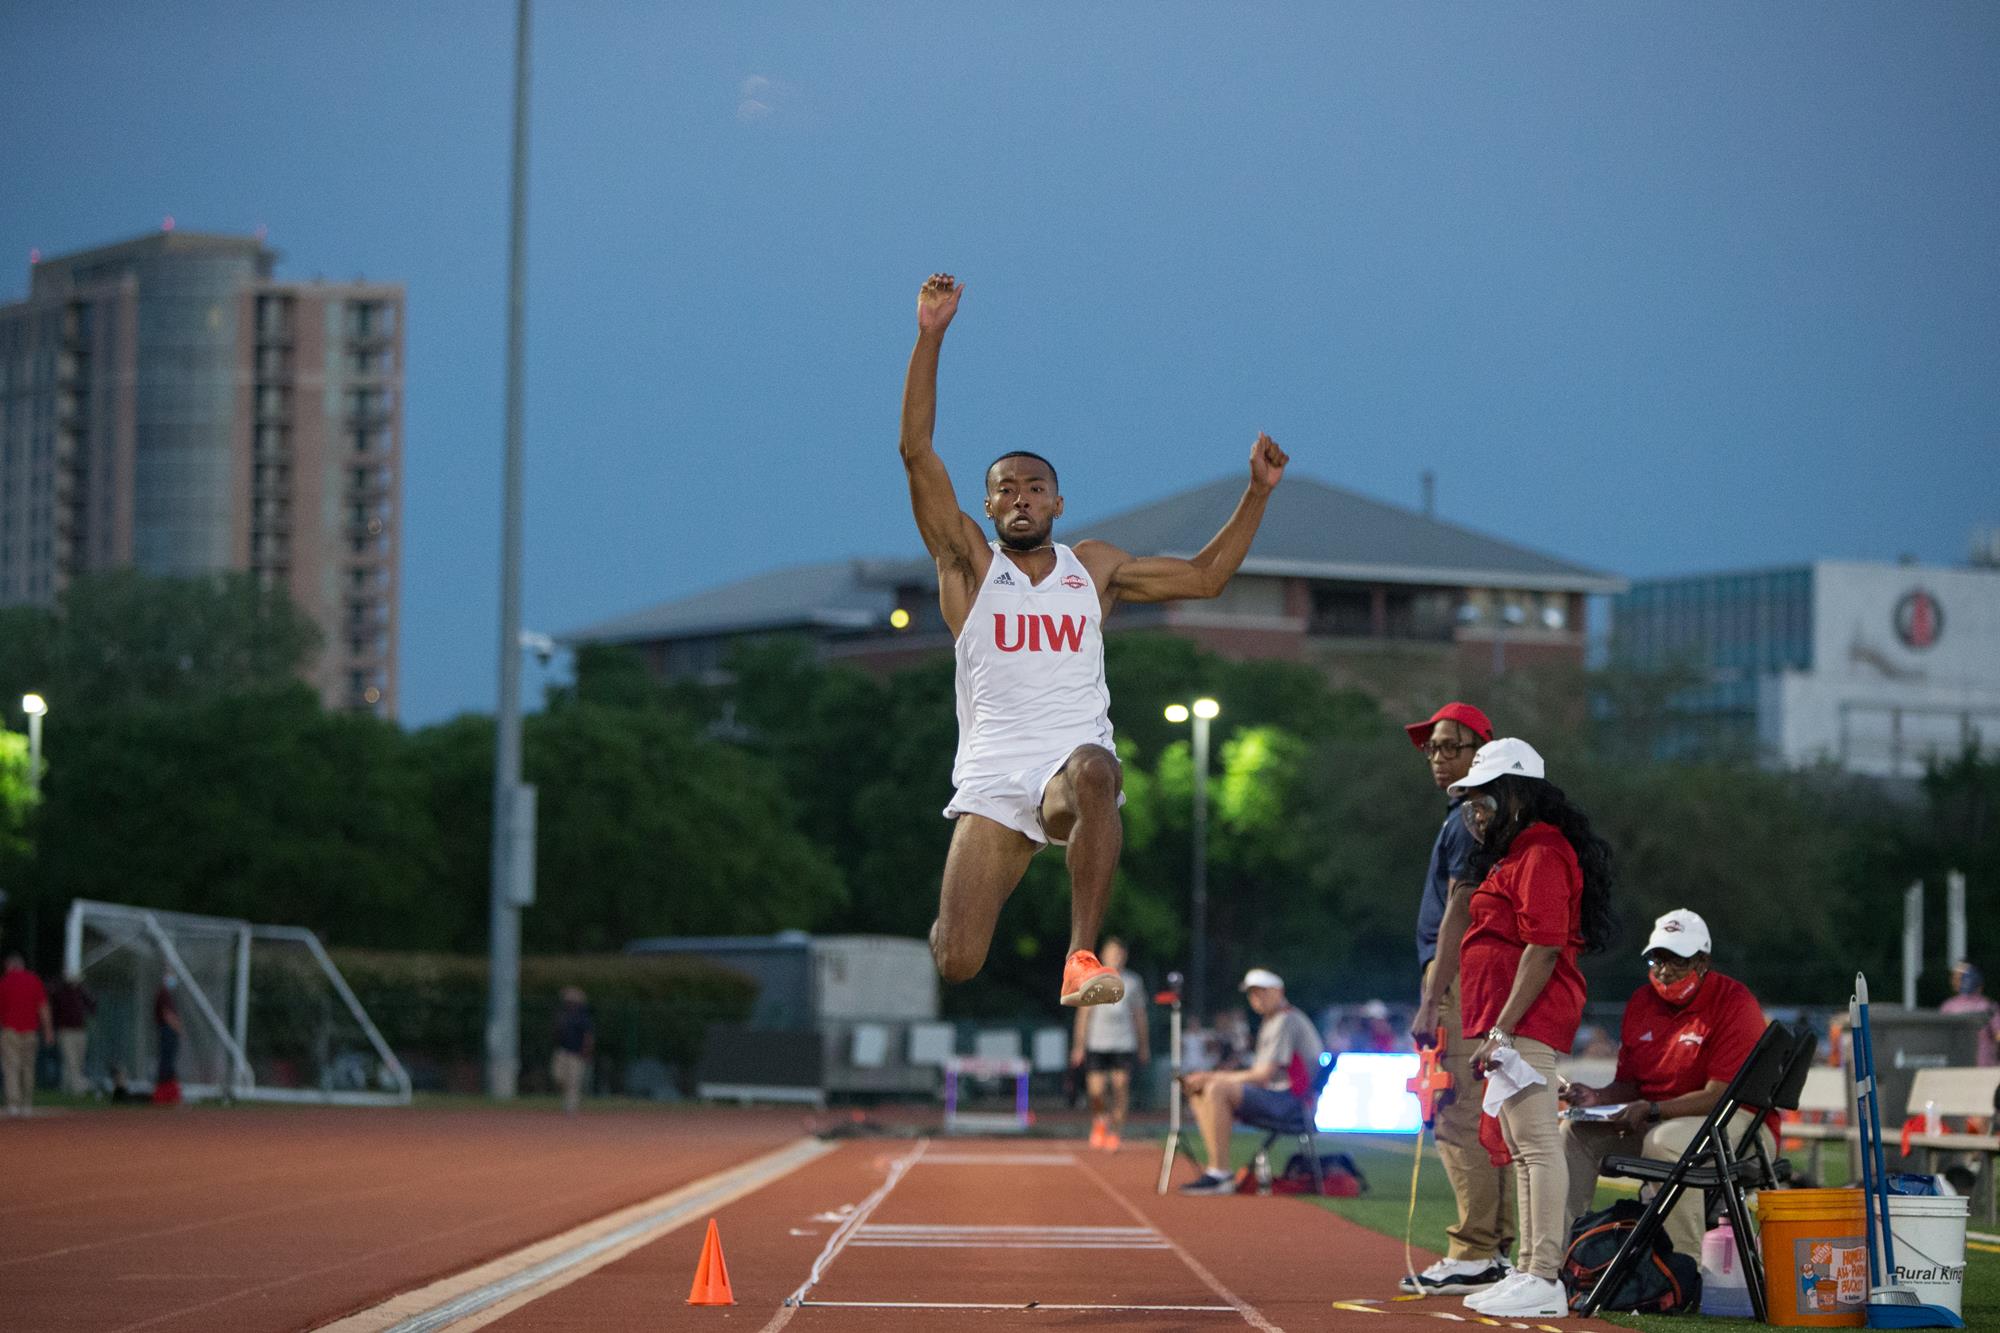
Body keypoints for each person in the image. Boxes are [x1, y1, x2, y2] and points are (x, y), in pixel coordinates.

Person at [899, 272, 1291, 1007]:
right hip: (993, 775)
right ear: (986, 505)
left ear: (1058, 501)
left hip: (1064, 769)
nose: (1020, 498)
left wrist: (1257, 494)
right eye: (1006, 489)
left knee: (1096, 769)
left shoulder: (1096, 568)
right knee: (957, 959)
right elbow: (918, 454)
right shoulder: (969, 564)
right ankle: (953, 922)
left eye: (1034, 487)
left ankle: (1081, 955)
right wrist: (931, 336)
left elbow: (1206, 579)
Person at [1448, 738, 1616, 1319]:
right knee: (1523, 1147)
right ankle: (1528, 1268)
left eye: (1482, 797)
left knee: (1539, 1145)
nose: (1474, 811)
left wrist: (1503, 1027)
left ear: (1516, 793)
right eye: (1468, 801)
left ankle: (1545, 1275)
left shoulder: (1542, 850)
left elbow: (1542, 947)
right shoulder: (1522, 851)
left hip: (1525, 1019)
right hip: (1510, 1019)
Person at [1559, 909, 1772, 1260]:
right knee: (1574, 1131)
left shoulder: (1734, 1002)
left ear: (1702, 962)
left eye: (1677, 959)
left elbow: (1720, 1096)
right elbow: (1631, 1084)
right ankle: (1563, 1259)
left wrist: (1654, 1109)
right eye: (1657, 957)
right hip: (1663, 1119)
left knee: (1664, 1142)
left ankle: (1685, 1266)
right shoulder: (1642, 1002)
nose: (1663, 969)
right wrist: (1596, 1096)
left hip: (1737, 1125)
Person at [1403, 701, 1516, 1298]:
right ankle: (1492, 1248)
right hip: (1473, 979)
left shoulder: (1470, 816)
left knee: (1456, 1115)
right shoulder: (1473, 816)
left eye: (1453, 746)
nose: (1439, 757)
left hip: (1456, 981)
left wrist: (1430, 998)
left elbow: (1461, 907)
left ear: (1482, 751)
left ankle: (1474, 1251)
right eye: (1433, 748)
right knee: (1481, 1114)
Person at [1177, 968, 1326, 1194]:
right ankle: (1216, 1169)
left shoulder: (1285, 1020)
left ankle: (1220, 1172)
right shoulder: (1273, 1021)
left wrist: (1212, 1076)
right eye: (1252, 993)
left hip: (1291, 1103)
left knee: (1215, 1088)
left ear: (1278, 991)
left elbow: (1262, 1076)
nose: (1256, 998)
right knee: (1201, 1089)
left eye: (1262, 992)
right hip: (1280, 1097)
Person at [1070, 936, 1149, 1151]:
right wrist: (1079, 1046)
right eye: (1112, 953)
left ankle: (1116, 1132)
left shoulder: (1133, 982)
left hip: (1123, 1043)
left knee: (1121, 1085)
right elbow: (1083, 1015)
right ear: (1103, 956)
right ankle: (1100, 1121)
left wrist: (1144, 1046)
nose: (1116, 957)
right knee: (1096, 1091)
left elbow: (1139, 1016)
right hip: (1098, 1042)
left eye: (1119, 953)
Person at [0, 954, 53, 1116]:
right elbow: (43, 1007)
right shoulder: (34, 980)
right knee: (28, 1067)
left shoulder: (4, 982)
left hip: (10, 1031)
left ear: (9, 966)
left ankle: (13, 1104)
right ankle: (26, 1104)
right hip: (30, 1031)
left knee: (11, 1067)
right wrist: (48, 1031)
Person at [1941, 961, 2000, 1068]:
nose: (1953, 982)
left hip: (1957, 1066)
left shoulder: (1949, 1007)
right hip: (1984, 1067)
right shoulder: (1988, 1006)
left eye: (1957, 979)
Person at [51, 969, 96, 1096]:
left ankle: (66, 1087)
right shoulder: (60, 993)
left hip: (80, 1031)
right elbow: (55, 1012)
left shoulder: (82, 992)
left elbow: (92, 1006)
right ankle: (77, 1089)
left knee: (78, 1060)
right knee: (71, 1060)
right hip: (65, 1031)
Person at [551, 986, 594, 1115]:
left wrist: (586, 1052)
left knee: (574, 1082)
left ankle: (570, 1108)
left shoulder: (583, 1018)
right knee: (558, 1077)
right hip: (562, 1051)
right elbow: (556, 1033)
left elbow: (588, 1037)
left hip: (576, 1054)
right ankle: (568, 1100)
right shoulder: (562, 1015)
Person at [153, 973, 184, 1104]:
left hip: (168, 1031)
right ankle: (165, 1095)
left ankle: (169, 1095)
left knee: (168, 1062)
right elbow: (167, 1015)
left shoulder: (166, 994)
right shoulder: (164, 994)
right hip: (167, 1031)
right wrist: (178, 1027)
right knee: (167, 1063)